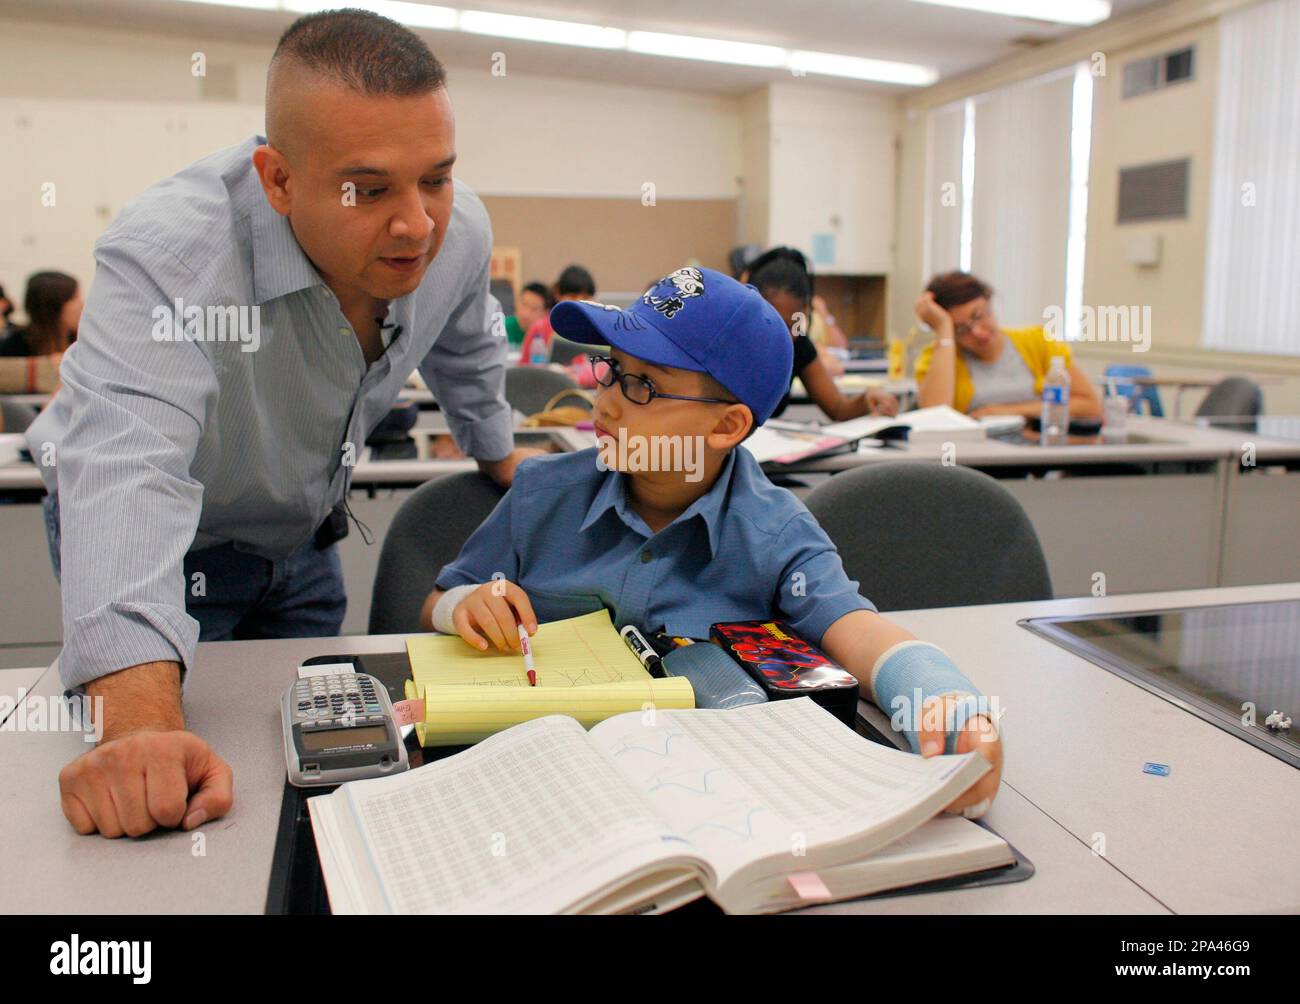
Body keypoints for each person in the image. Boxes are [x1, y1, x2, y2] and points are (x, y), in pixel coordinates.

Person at [37, 9, 539, 839]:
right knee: (177, 799)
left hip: (302, 538)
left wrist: (498, 454)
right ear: (276, 180)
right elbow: (129, 473)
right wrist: (138, 728)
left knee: (307, 774)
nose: (417, 223)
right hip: (173, 545)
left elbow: (465, 351)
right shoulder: (171, 256)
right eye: (369, 190)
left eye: (437, 178)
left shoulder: (458, 231)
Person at [419, 267, 1003, 818]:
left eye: (643, 385)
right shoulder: (542, 492)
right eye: (611, 369)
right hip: (538, 779)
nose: (607, 402)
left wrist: (947, 703)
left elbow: (858, 630)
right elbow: (442, 597)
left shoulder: (774, 529)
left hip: (710, 794)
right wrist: (462, 605)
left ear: (727, 427)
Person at [913, 271, 1102, 419]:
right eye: (961, 329)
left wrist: (1006, 411)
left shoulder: (1037, 342)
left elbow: (1090, 406)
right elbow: (934, 416)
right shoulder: (938, 357)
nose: (977, 332)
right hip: (973, 460)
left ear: (989, 302)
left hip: (1034, 453)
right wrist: (944, 331)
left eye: (979, 316)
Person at [744, 248, 898, 421]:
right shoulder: (728, 342)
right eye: (771, 322)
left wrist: (867, 398)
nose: (781, 336)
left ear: (806, 312)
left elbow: (839, 408)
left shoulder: (799, 346)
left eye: (790, 325)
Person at [519, 264, 596, 365]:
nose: (579, 302)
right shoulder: (540, 328)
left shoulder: (596, 330)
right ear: (558, 294)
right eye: (573, 296)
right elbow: (524, 368)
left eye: (585, 297)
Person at [0, 271, 82, 357]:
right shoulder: (14, 347)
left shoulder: (82, 343)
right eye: (75, 298)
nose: (82, 304)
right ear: (53, 305)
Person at [504, 281, 552, 348]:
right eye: (524, 304)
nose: (526, 314)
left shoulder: (550, 336)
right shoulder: (503, 327)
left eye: (534, 308)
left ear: (546, 313)